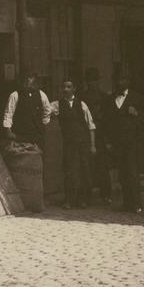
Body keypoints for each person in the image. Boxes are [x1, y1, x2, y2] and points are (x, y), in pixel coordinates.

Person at [105, 68, 144, 214]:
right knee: (122, 174)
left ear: (128, 82)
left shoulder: (137, 98)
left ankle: (136, 204)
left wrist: (137, 113)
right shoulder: (110, 99)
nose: (120, 83)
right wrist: (108, 141)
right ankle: (127, 203)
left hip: (133, 143)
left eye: (123, 80)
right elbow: (107, 123)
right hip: (118, 143)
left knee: (133, 173)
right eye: (118, 80)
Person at [51, 79, 96, 209]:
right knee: (70, 170)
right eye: (64, 87)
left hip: (83, 143)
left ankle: (83, 199)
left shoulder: (82, 104)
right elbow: (45, 111)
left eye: (69, 87)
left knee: (84, 170)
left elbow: (91, 126)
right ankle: (69, 200)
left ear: (74, 89)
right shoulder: (57, 105)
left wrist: (93, 146)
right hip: (69, 144)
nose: (66, 89)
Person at [81, 67, 112, 204]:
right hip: (85, 135)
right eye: (90, 81)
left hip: (101, 135)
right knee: (86, 166)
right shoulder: (82, 98)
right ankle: (86, 196)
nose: (92, 83)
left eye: (94, 80)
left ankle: (106, 194)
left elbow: (109, 120)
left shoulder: (105, 98)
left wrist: (108, 139)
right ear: (87, 82)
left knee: (102, 166)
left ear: (98, 81)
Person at [2, 71, 51, 153]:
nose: (28, 80)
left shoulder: (41, 95)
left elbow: (47, 111)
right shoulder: (15, 95)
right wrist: (8, 130)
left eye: (31, 77)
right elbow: (8, 114)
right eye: (25, 77)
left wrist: (42, 124)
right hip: (20, 136)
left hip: (36, 136)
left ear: (35, 80)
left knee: (38, 157)